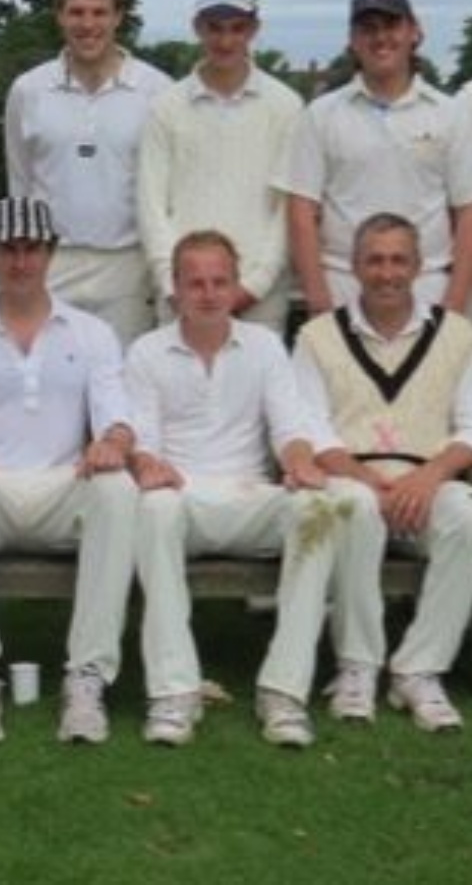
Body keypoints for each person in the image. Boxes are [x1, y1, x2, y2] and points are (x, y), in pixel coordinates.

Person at [128, 230, 381, 748]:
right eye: (196, 283)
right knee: (153, 509)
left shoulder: (264, 346)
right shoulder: (146, 352)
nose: (208, 293)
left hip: (250, 496)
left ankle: (284, 692)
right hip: (182, 498)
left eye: (219, 281)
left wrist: (299, 463)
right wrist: (149, 465)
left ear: (235, 285)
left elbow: (290, 429)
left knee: (316, 509)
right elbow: (143, 443)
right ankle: (174, 691)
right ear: (175, 287)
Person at [0, 197, 138, 745]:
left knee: (117, 491)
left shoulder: (91, 333)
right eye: (8, 250)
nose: (20, 262)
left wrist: (111, 444)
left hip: (62, 487)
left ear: (50, 253)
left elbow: (117, 420)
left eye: (31, 249)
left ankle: (87, 677)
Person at [294, 212, 472, 732]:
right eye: (374, 260)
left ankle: (418, 669)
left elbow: (470, 424)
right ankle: (358, 666)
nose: (387, 273)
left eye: (399, 260)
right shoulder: (316, 336)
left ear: (418, 266)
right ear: (353, 266)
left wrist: (429, 477)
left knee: (467, 515)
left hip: (425, 487)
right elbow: (309, 427)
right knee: (355, 507)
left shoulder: (459, 335)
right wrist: (366, 479)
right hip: (351, 483)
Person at [276, 0, 472, 316]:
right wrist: (318, 298)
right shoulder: (321, 115)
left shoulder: (450, 114)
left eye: (391, 25)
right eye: (368, 28)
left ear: (414, 32)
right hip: (342, 284)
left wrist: (454, 302)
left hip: (428, 285)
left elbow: (466, 211)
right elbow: (301, 210)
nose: (381, 38)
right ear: (353, 41)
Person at [5, 0, 170, 346]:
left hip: (128, 268)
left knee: (119, 380)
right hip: (50, 266)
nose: (88, 24)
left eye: (99, 13)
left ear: (118, 17)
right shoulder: (29, 90)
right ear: (59, 16)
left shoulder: (157, 91)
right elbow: (20, 183)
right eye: (77, 12)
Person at [138, 0, 302, 332]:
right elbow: (151, 205)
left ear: (254, 29)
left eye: (237, 28)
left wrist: (253, 287)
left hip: (259, 304)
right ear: (197, 28)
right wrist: (173, 286)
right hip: (181, 300)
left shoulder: (286, 107)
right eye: (214, 28)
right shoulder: (165, 107)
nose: (225, 41)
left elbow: (287, 209)